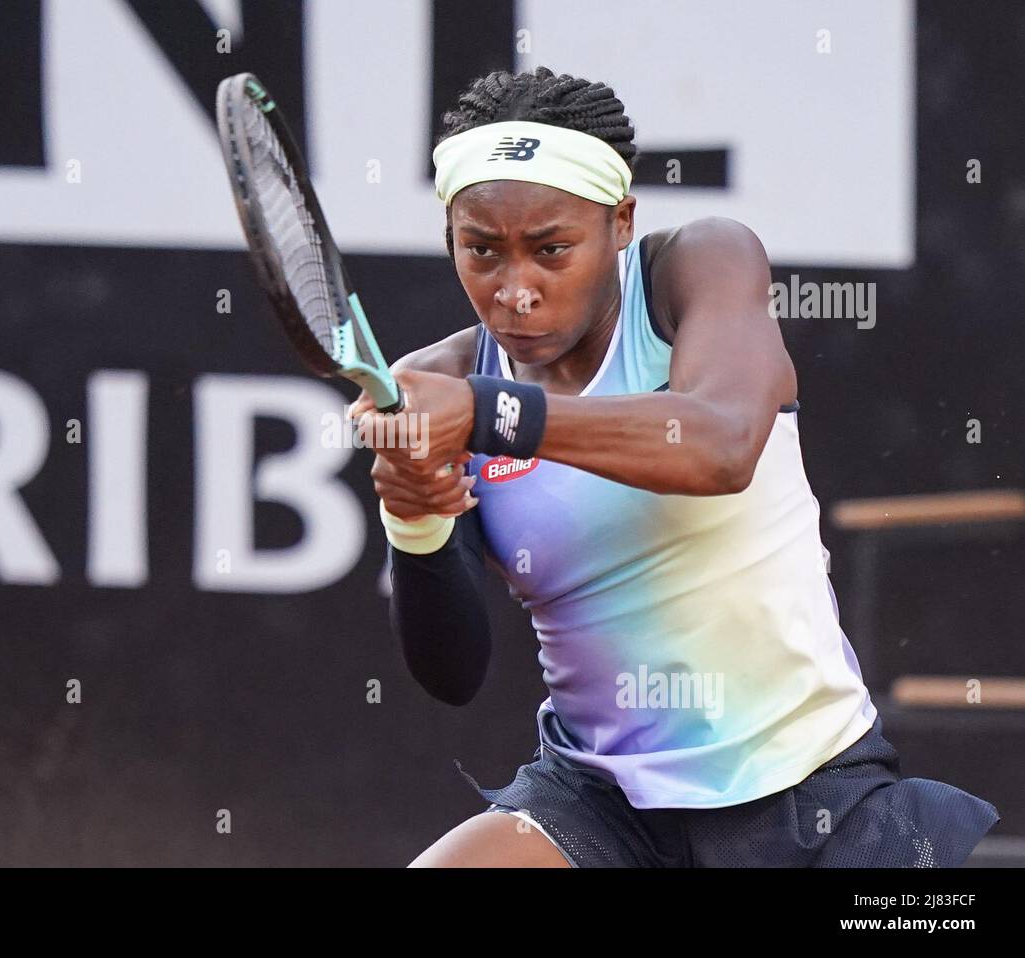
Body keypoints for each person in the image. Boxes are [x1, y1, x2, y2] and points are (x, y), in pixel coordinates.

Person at [347, 66, 1000, 867]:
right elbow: (452, 672)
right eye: (481, 250)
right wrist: (413, 517)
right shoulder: (442, 383)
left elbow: (718, 446)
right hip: (594, 803)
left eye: (552, 250)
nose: (516, 291)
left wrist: (492, 414)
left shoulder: (696, 269)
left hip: (807, 794)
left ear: (620, 222)